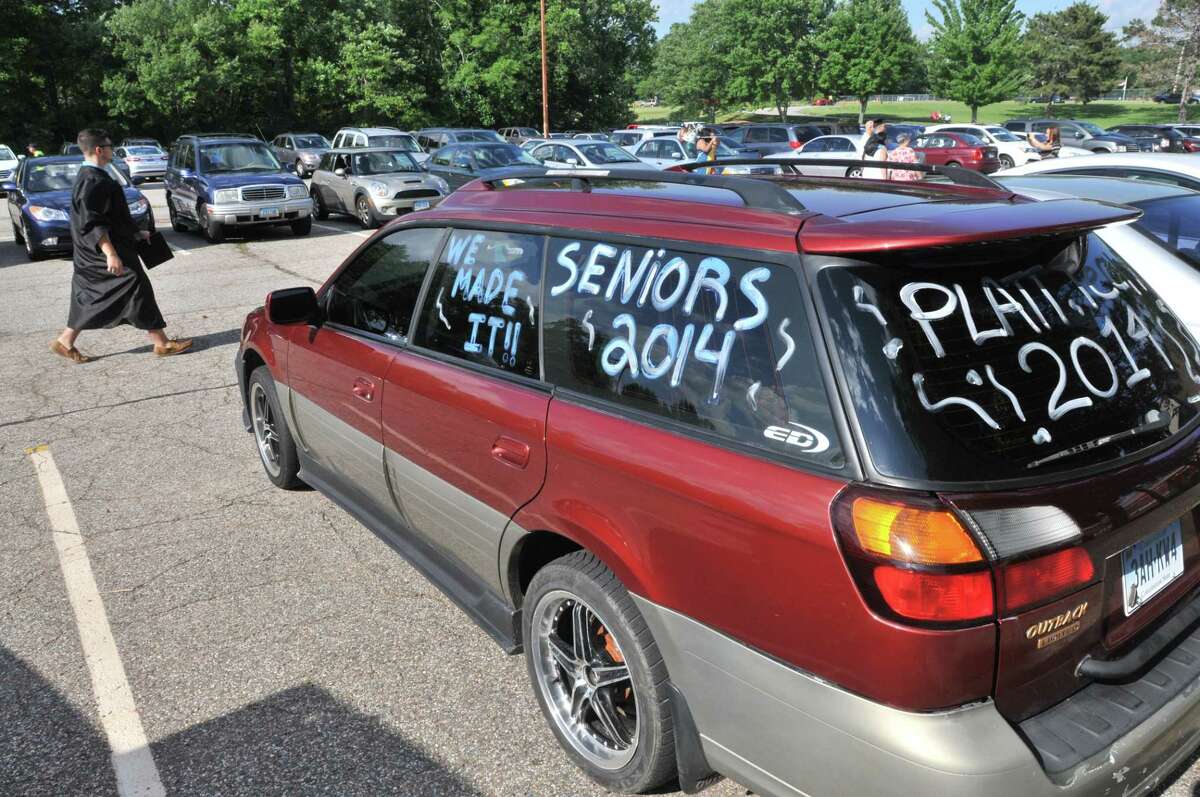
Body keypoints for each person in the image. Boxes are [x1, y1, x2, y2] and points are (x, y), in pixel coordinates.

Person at [50, 128, 191, 363]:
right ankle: (162, 343)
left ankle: (65, 341)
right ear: (98, 150)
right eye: (108, 146)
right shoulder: (92, 181)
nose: (111, 150)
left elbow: (112, 217)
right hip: (102, 253)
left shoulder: (94, 176)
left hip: (100, 251)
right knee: (137, 287)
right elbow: (93, 222)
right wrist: (111, 254)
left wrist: (137, 232)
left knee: (92, 297)